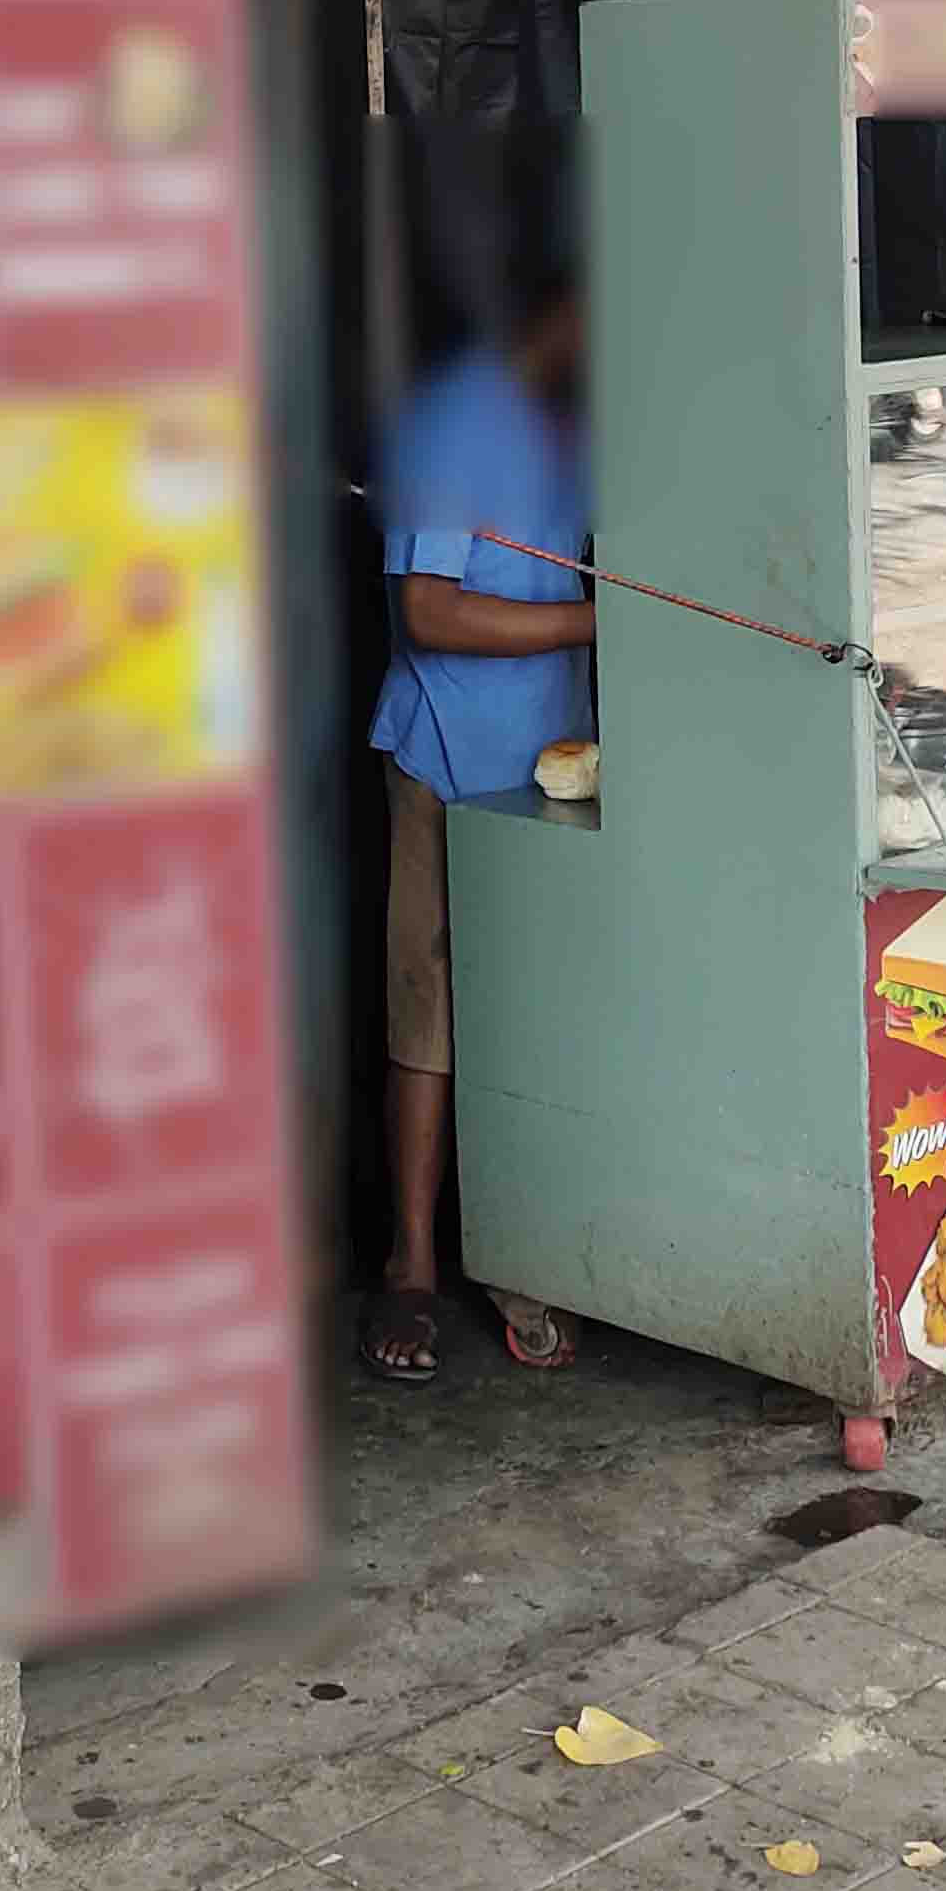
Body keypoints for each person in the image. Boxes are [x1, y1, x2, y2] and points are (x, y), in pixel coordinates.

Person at [359, 264, 594, 1383]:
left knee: (542, 1011)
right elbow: (429, 609)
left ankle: (533, 1250)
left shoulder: (575, 420)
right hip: (452, 753)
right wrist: (595, 622)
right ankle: (410, 1263)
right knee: (436, 1012)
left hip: (557, 755)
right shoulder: (454, 420)